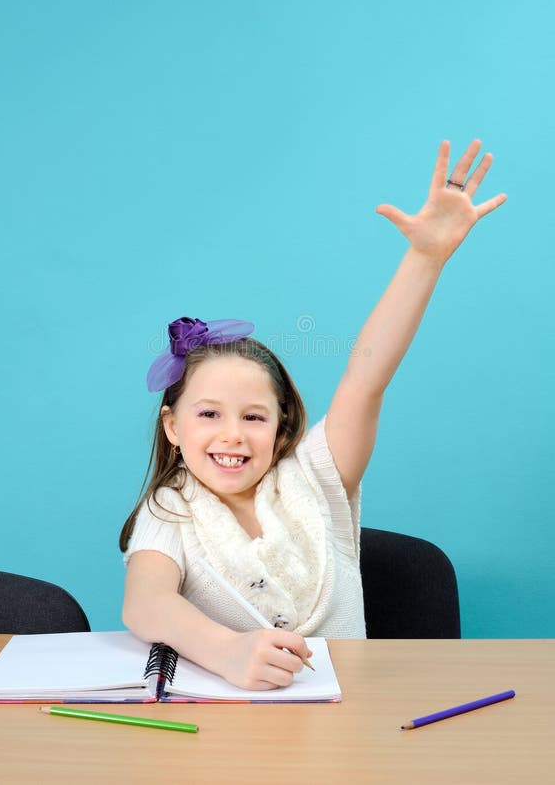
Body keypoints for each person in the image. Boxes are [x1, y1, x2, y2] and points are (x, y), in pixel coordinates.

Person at [120, 139, 506, 690]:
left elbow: (366, 378)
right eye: (209, 414)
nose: (233, 434)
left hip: (352, 722)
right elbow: (145, 601)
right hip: (235, 738)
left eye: (254, 417)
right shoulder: (171, 508)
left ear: (281, 429)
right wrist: (228, 652)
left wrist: (425, 258)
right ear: (173, 427)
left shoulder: (317, 475)